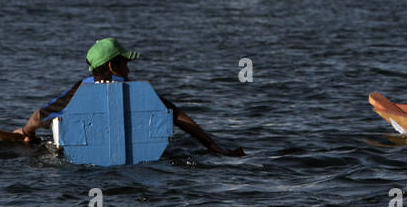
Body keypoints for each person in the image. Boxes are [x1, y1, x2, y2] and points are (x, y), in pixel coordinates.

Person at [12, 38, 244, 156]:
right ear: (113, 65)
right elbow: (178, 116)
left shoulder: (78, 91)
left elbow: (39, 116)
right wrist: (213, 145)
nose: (129, 69)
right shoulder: (140, 93)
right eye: (126, 63)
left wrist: (27, 133)